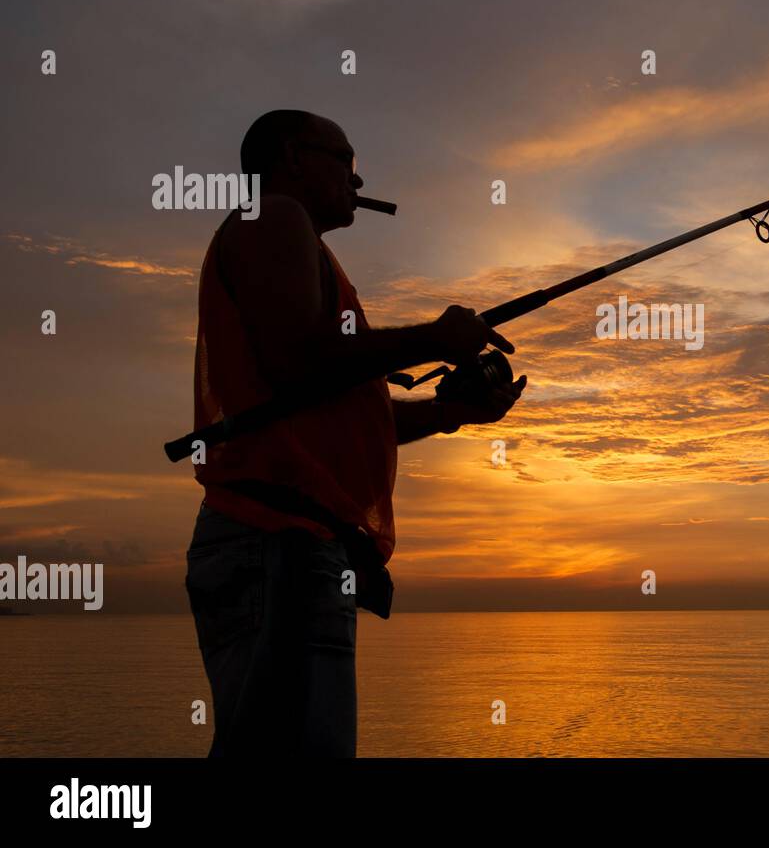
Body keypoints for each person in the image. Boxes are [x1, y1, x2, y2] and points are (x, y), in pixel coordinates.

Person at [184, 110, 526, 756]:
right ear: (291, 156)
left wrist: (454, 413)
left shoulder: (295, 244)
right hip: (277, 538)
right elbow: (297, 361)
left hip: (293, 541)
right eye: (343, 159)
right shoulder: (273, 215)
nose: (358, 175)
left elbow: (336, 413)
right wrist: (435, 337)